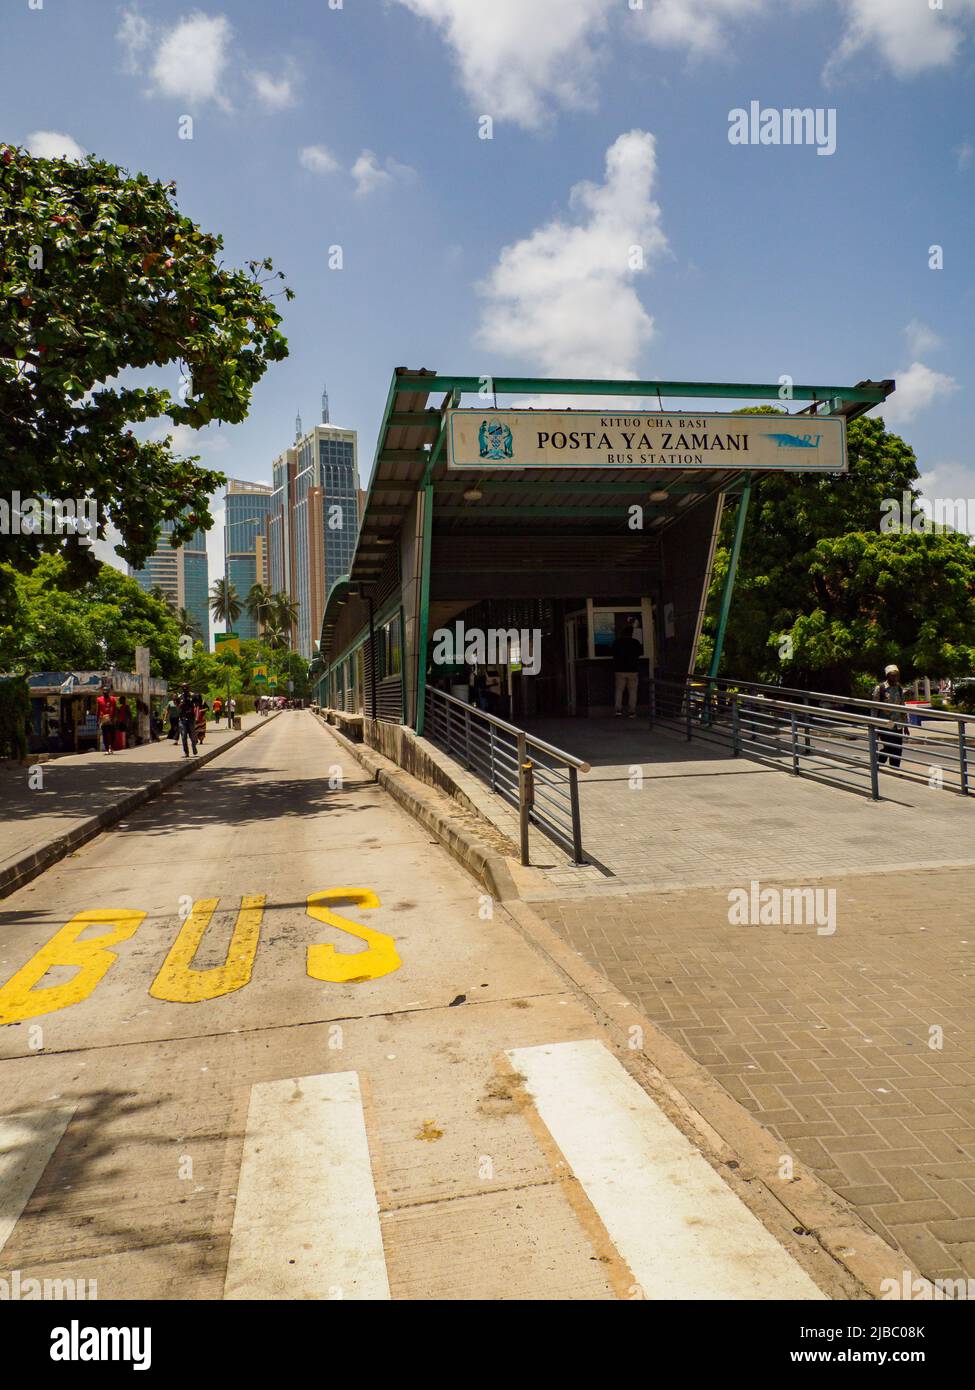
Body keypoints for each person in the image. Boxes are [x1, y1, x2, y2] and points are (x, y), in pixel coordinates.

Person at [871, 663, 908, 769]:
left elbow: (902, 706)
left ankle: (895, 769)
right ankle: (878, 762)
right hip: (885, 724)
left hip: (897, 724)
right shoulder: (880, 688)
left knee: (897, 749)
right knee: (889, 747)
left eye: (897, 675)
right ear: (887, 676)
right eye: (893, 675)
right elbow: (874, 708)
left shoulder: (899, 689)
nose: (895, 678)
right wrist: (874, 724)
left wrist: (905, 725)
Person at [612, 621, 643, 718]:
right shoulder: (635, 642)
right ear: (631, 634)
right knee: (633, 691)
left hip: (620, 669)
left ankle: (618, 711)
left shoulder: (617, 642)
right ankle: (632, 712)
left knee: (619, 690)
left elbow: (613, 654)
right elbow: (640, 653)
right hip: (633, 670)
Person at [176, 683, 198, 758]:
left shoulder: (192, 696)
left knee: (192, 735)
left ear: (188, 687)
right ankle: (186, 752)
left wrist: (196, 716)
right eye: (183, 687)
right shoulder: (179, 696)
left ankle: (194, 747)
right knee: (183, 736)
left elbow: (197, 706)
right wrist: (180, 705)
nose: (185, 688)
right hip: (182, 719)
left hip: (191, 719)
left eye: (186, 687)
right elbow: (177, 706)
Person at [96, 685, 117, 754]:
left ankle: (111, 747)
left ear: (109, 692)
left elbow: (115, 709)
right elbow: (98, 710)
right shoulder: (99, 699)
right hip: (103, 720)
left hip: (111, 720)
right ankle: (107, 749)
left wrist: (114, 719)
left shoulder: (113, 699)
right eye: (104, 691)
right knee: (105, 735)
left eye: (106, 691)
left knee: (112, 735)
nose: (105, 693)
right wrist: (97, 720)